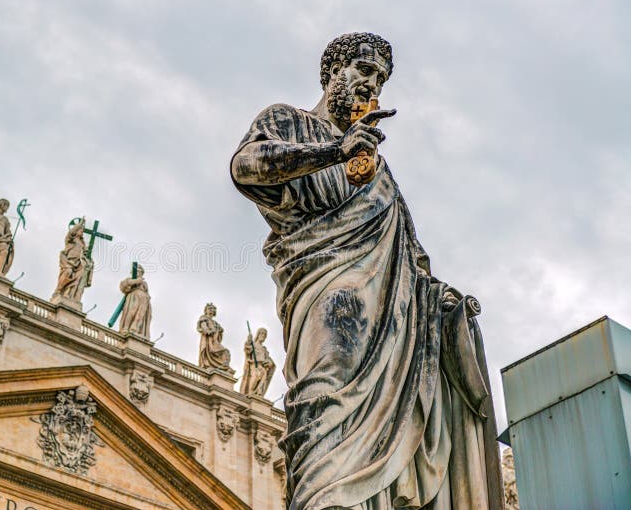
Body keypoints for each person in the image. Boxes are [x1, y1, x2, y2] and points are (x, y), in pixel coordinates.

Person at [231, 32, 502, 509]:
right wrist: (335, 152)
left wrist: (444, 306)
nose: (372, 84)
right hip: (321, 295)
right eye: (363, 70)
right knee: (322, 407)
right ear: (333, 71)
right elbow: (246, 167)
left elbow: (412, 260)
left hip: (389, 324)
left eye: (380, 78)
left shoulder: (377, 167)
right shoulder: (288, 121)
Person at [53, 218, 93, 301]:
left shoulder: (82, 243)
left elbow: (85, 252)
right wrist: (80, 224)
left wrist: (87, 255)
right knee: (68, 272)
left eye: (82, 231)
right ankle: (59, 290)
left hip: (78, 263)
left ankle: (67, 293)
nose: (82, 232)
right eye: (80, 230)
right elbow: (71, 232)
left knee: (77, 278)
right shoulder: (70, 240)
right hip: (68, 261)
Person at [240, 327, 275, 397]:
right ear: (258, 334)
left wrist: (269, 363)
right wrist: (249, 340)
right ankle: (249, 394)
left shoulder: (264, 349)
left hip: (263, 368)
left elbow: (270, 361)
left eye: (265, 335)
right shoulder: (253, 345)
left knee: (261, 384)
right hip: (255, 366)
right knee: (254, 379)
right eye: (262, 334)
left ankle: (257, 396)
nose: (263, 336)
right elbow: (247, 349)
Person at [118, 264, 152, 337]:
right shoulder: (130, 279)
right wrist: (136, 281)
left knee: (140, 315)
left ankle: (135, 328)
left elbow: (147, 292)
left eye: (139, 272)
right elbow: (123, 286)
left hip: (144, 300)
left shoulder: (144, 283)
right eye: (137, 272)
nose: (138, 273)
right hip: (134, 297)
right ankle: (126, 328)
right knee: (132, 311)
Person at [197, 303, 230, 370]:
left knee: (225, 352)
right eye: (210, 308)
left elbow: (219, 333)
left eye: (213, 309)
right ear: (206, 310)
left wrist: (220, 330)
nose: (212, 310)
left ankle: (223, 367)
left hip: (215, 341)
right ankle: (210, 365)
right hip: (209, 341)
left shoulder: (215, 323)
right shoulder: (203, 318)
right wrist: (207, 331)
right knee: (219, 352)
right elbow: (203, 326)